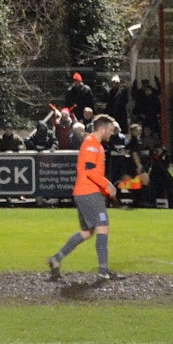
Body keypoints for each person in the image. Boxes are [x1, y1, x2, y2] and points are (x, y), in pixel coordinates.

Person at [46, 113, 121, 283]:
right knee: (103, 228)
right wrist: (107, 185)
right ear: (102, 129)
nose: (112, 133)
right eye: (110, 130)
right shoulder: (91, 144)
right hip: (89, 193)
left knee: (87, 232)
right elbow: (89, 171)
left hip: (85, 193)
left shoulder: (94, 144)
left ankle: (56, 259)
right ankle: (103, 271)